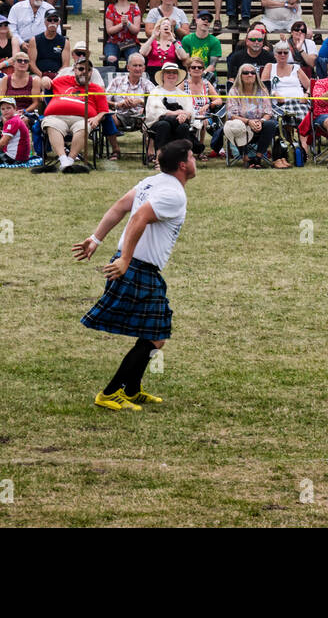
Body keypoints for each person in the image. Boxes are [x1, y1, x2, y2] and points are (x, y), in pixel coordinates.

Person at [73, 138, 195, 412]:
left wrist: (96, 238)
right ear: (183, 165)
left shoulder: (151, 182)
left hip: (135, 265)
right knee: (156, 334)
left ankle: (132, 389)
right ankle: (110, 393)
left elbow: (120, 206)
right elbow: (138, 217)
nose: (196, 162)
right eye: (193, 157)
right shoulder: (173, 193)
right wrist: (126, 259)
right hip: (136, 266)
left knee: (156, 332)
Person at [39, 58, 107, 171]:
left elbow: (104, 110)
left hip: (82, 119)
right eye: (81, 69)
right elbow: (46, 84)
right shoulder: (62, 80)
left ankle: (70, 160)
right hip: (57, 116)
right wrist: (44, 79)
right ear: (74, 70)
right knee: (51, 123)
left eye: (88, 70)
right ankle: (63, 160)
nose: (84, 72)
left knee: (84, 126)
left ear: (91, 72)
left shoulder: (97, 89)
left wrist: (97, 118)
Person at [224, 62, 282, 166]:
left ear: (256, 75)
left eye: (252, 73)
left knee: (271, 124)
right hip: (242, 125)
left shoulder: (262, 90)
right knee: (237, 125)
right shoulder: (234, 91)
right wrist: (248, 122)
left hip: (260, 125)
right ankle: (246, 159)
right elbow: (232, 115)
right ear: (240, 76)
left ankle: (258, 158)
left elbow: (268, 112)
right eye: (246, 73)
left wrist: (261, 121)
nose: (250, 75)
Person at [104, 53, 153, 158]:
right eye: (135, 65)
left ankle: (150, 153)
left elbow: (155, 102)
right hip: (119, 115)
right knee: (107, 118)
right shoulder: (117, 81)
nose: (138, 68)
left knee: (153, 118)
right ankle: (115, 150)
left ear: (144, 68)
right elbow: (104, 100)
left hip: (140, 117)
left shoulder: (148, 84)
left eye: (140, 66)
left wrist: (140, 102)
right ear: (128, 67)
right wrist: (118, 104)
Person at [103, 0, 142, 66]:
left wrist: (128, 23)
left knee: (134, 60)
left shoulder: (134, 7)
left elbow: (136, 30)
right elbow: (109, 31)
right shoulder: (110, 8)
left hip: (131, 42)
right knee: (111, 59)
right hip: (113, 42)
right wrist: (121, 25)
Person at [27, 9, 68, 80]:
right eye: (49, 20)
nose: (52, 22)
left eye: (55, 20)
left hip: (57, 76)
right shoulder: (34, 40)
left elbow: (65, 65)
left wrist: (56, 76)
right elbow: (31, 64)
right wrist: (42, 76)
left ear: (59, 22)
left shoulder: (65, 42)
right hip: (38, 75)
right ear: (45, 22)